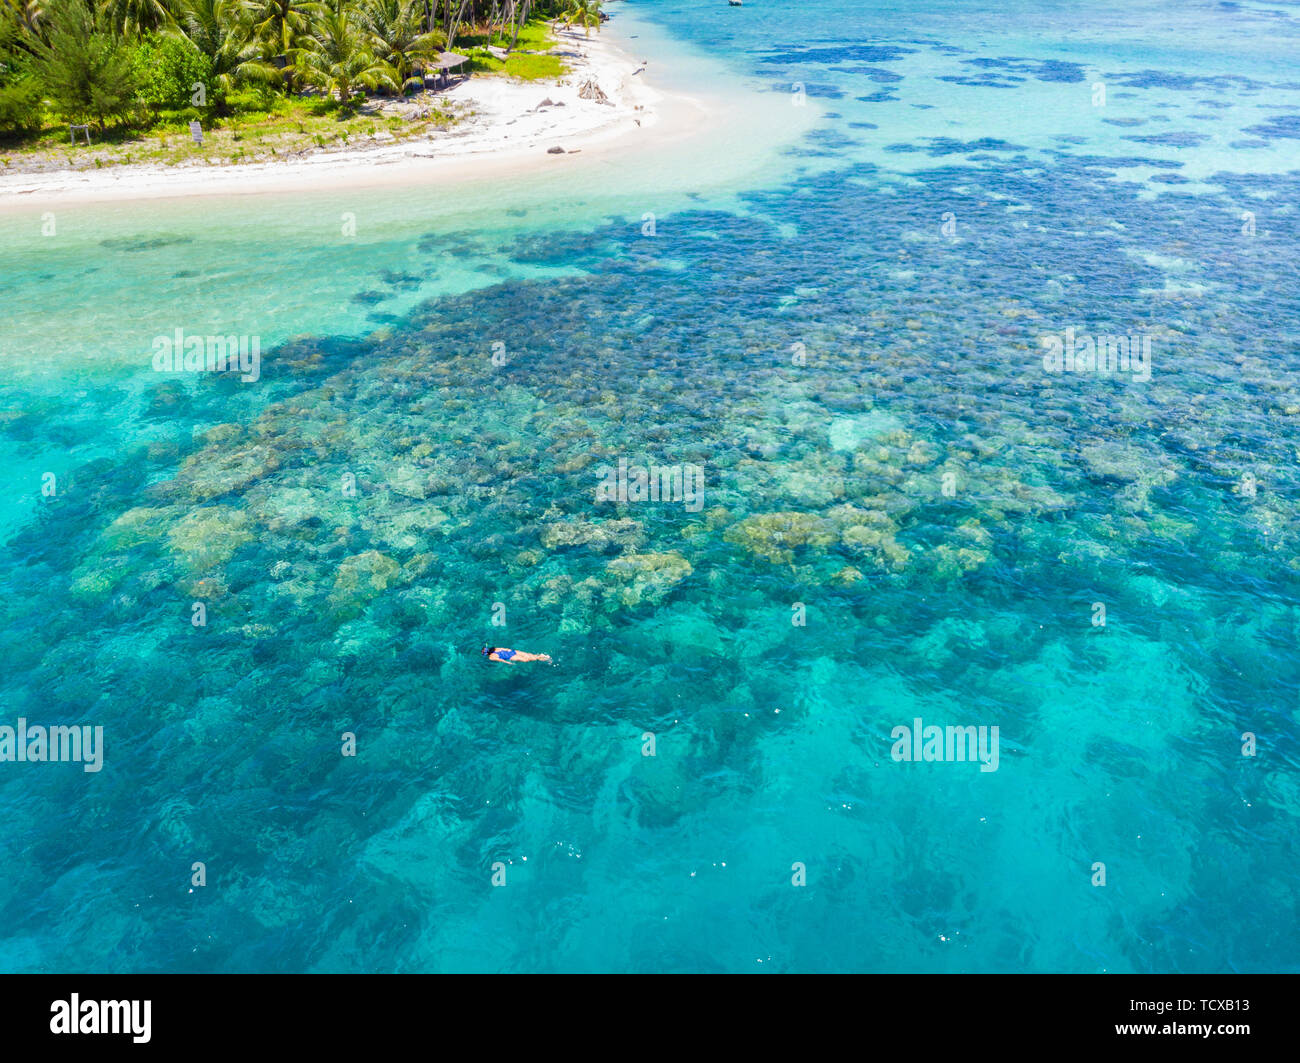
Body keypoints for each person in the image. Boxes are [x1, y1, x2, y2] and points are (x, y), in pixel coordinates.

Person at [482, 646, 551, 664]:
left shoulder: (491, 657)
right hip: (512, 652)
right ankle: (541, 656)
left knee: (526, 660)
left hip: (510, 656)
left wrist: (508, 662)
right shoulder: (495, 648)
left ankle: (542, 658)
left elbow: (500, 660)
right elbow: (506, 649)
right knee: (528, 655)